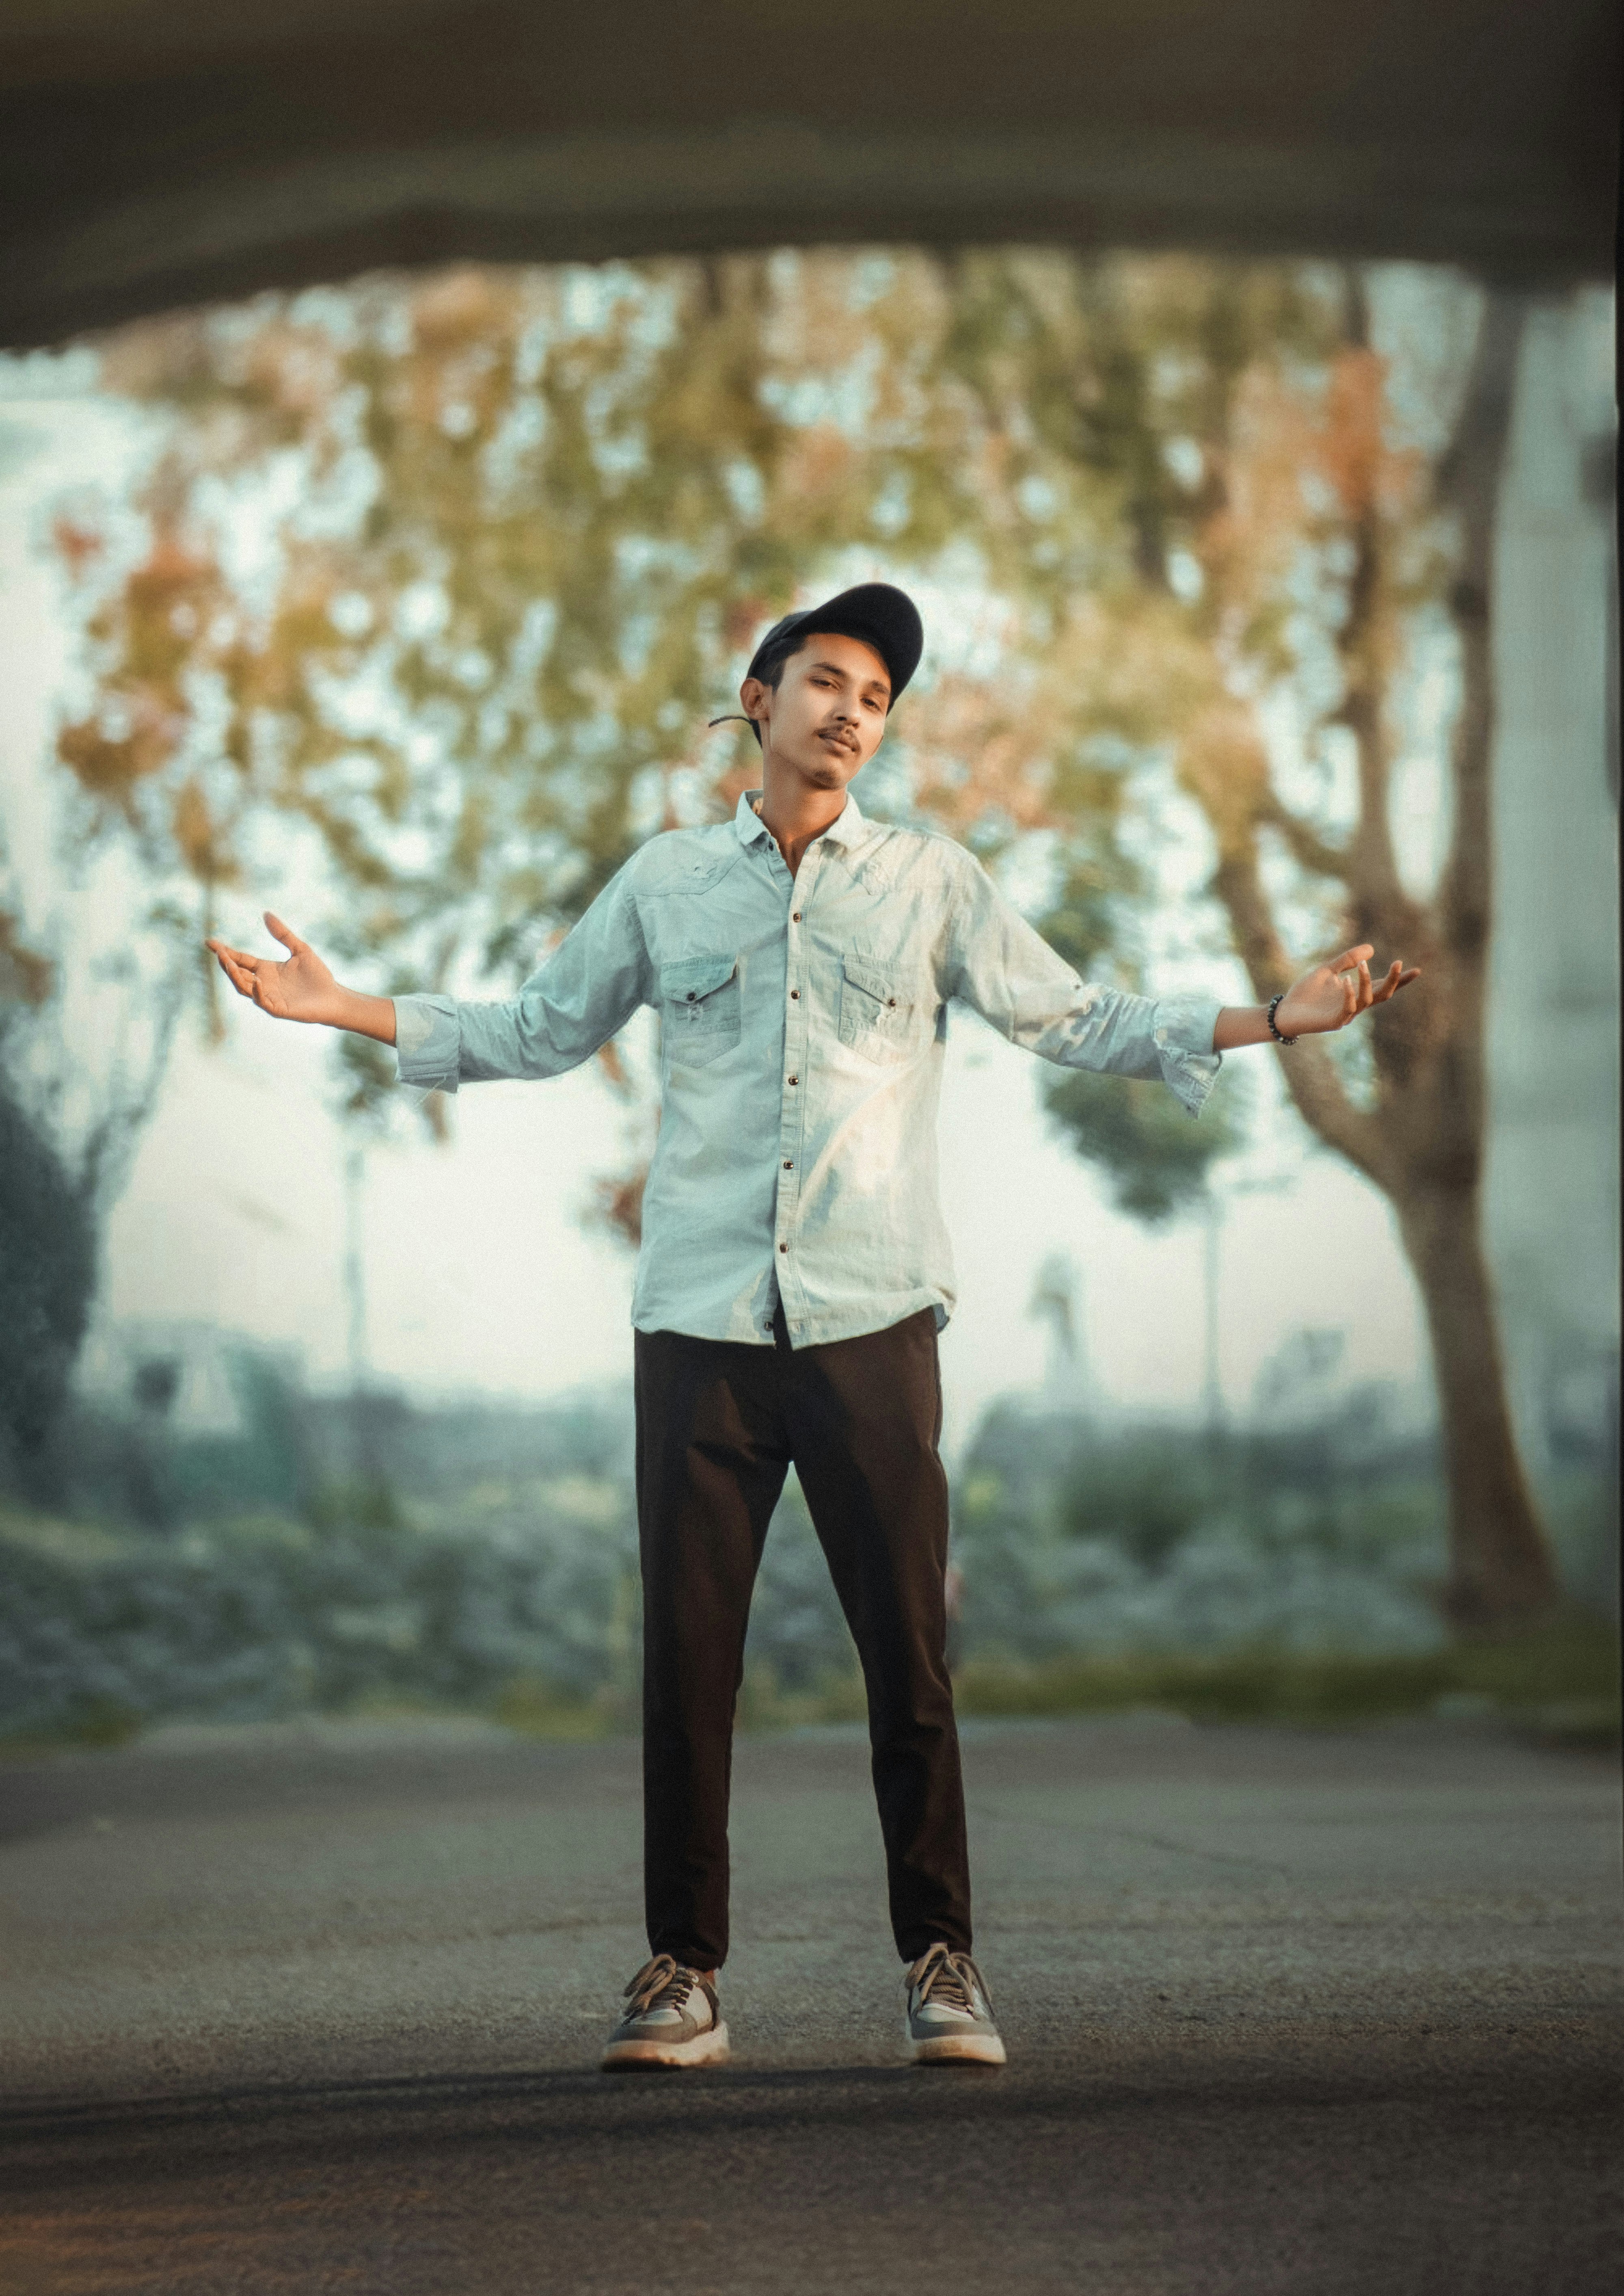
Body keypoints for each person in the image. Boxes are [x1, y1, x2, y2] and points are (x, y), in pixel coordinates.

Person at [207, 581, 1418, 2072]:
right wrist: (347, 1009)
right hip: (701, 1328)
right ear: (761, 696)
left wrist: (1268, 1021)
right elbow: (537, 1027)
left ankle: (941, 1960)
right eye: (831, 681)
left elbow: (1078, 1017)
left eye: (879, 701)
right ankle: (682, 1976)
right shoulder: (665, 882)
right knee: (689, 1665)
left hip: (869, 1322)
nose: (854, 712)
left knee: (907, 1656)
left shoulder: (929, 883)